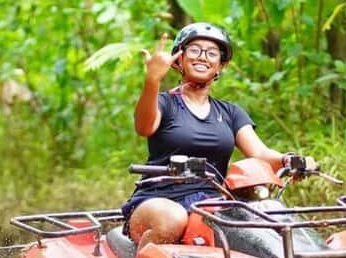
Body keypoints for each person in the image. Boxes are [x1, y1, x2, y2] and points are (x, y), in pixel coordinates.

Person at [122, 22, 315, 246]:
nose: (202, 57)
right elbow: (144, 127)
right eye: (194, 50)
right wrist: (152, 80)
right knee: (173, 220)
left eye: (212, 53)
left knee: (269, 219)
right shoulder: (166, 103)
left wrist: (290, 160)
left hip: (213, 201)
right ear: (179, 59)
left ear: (221, 65)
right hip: (158, 199)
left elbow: (260, 153)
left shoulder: (230, 112)